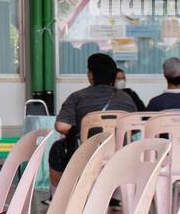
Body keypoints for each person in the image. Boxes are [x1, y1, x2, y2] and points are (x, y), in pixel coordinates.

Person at [48, 52, 136, 188]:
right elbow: (134, 128)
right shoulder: (126, 98)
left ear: (90, 75)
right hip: (121, 153)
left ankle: (61, 196)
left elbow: (61, 127)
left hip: (87, 154)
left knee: (58, 148)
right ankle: (118, 196)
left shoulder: (78, 97)